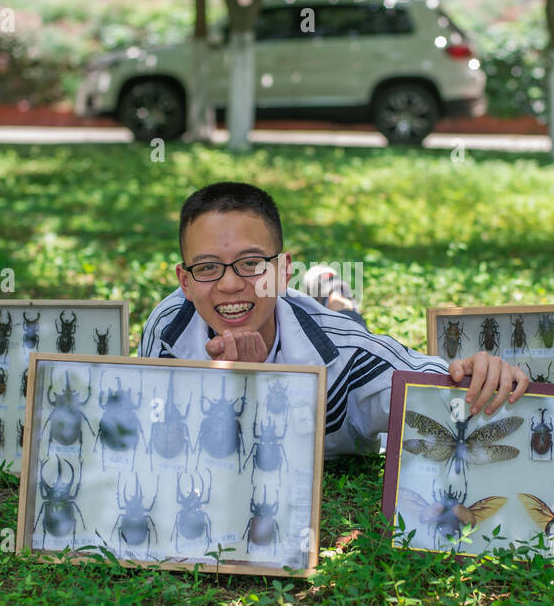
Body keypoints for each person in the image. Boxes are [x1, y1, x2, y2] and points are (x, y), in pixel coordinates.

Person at [137, 182, 529, 456]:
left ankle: (335, 294)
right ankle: (330, 290)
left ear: (284, 271)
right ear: (184, 282)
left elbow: (439, 387)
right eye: (207, 268)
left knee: (346, 322)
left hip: (331, 331)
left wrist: (479, 374)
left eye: (252, 263)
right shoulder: (168, 330)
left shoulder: (350, 355)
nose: (229, 283)